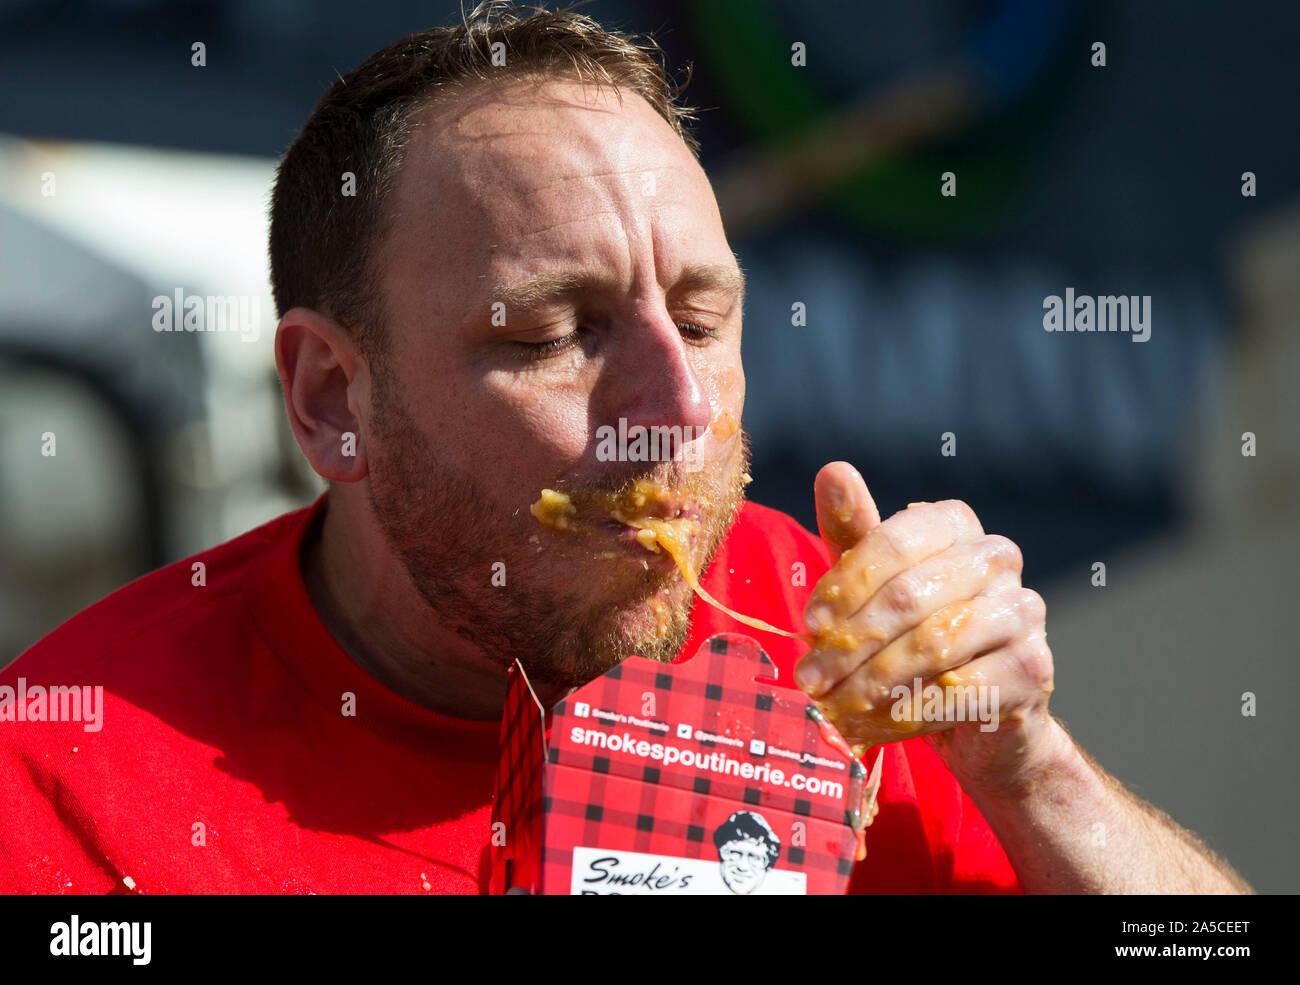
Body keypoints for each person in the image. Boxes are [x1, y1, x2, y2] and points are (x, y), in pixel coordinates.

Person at [0, 1, 1250, 894]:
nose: (680, 408)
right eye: (561, 332)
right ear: (333, 398)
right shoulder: (64, 777)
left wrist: (1027, 767)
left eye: (703, 320)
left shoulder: (825, 634)